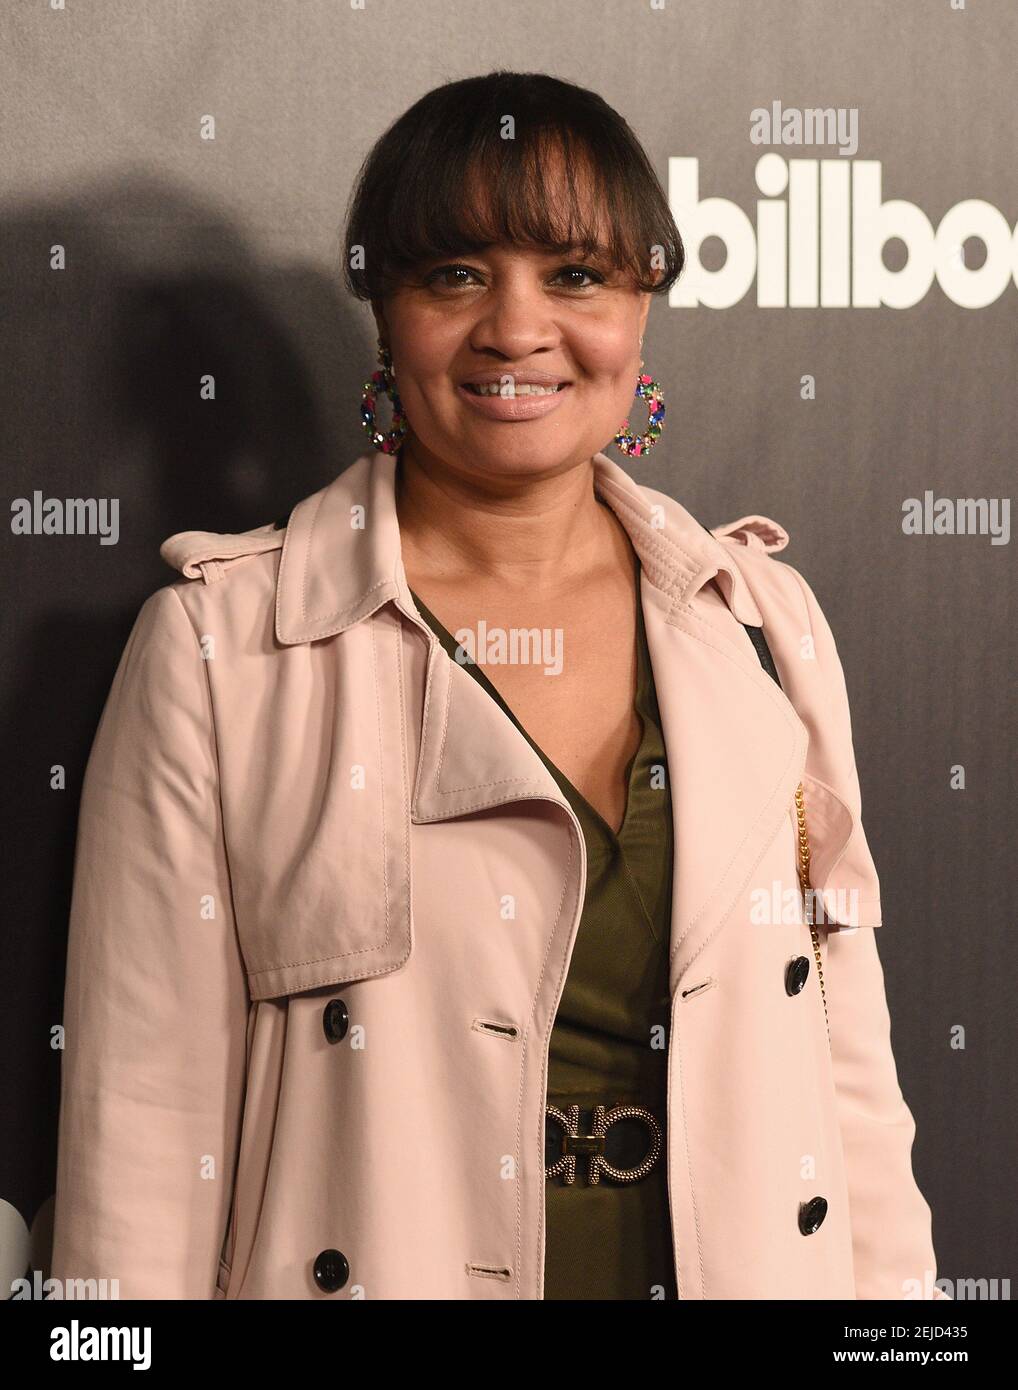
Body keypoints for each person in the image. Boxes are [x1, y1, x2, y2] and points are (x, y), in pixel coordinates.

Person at [50, 70, 949, 1301]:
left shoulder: (761, 622)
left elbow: (846, 1066)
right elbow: (138, 1122)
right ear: (387, 316)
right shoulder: (219, 652)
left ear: (642, 306)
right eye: (454, 275)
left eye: (575, 275)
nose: (516, 329)